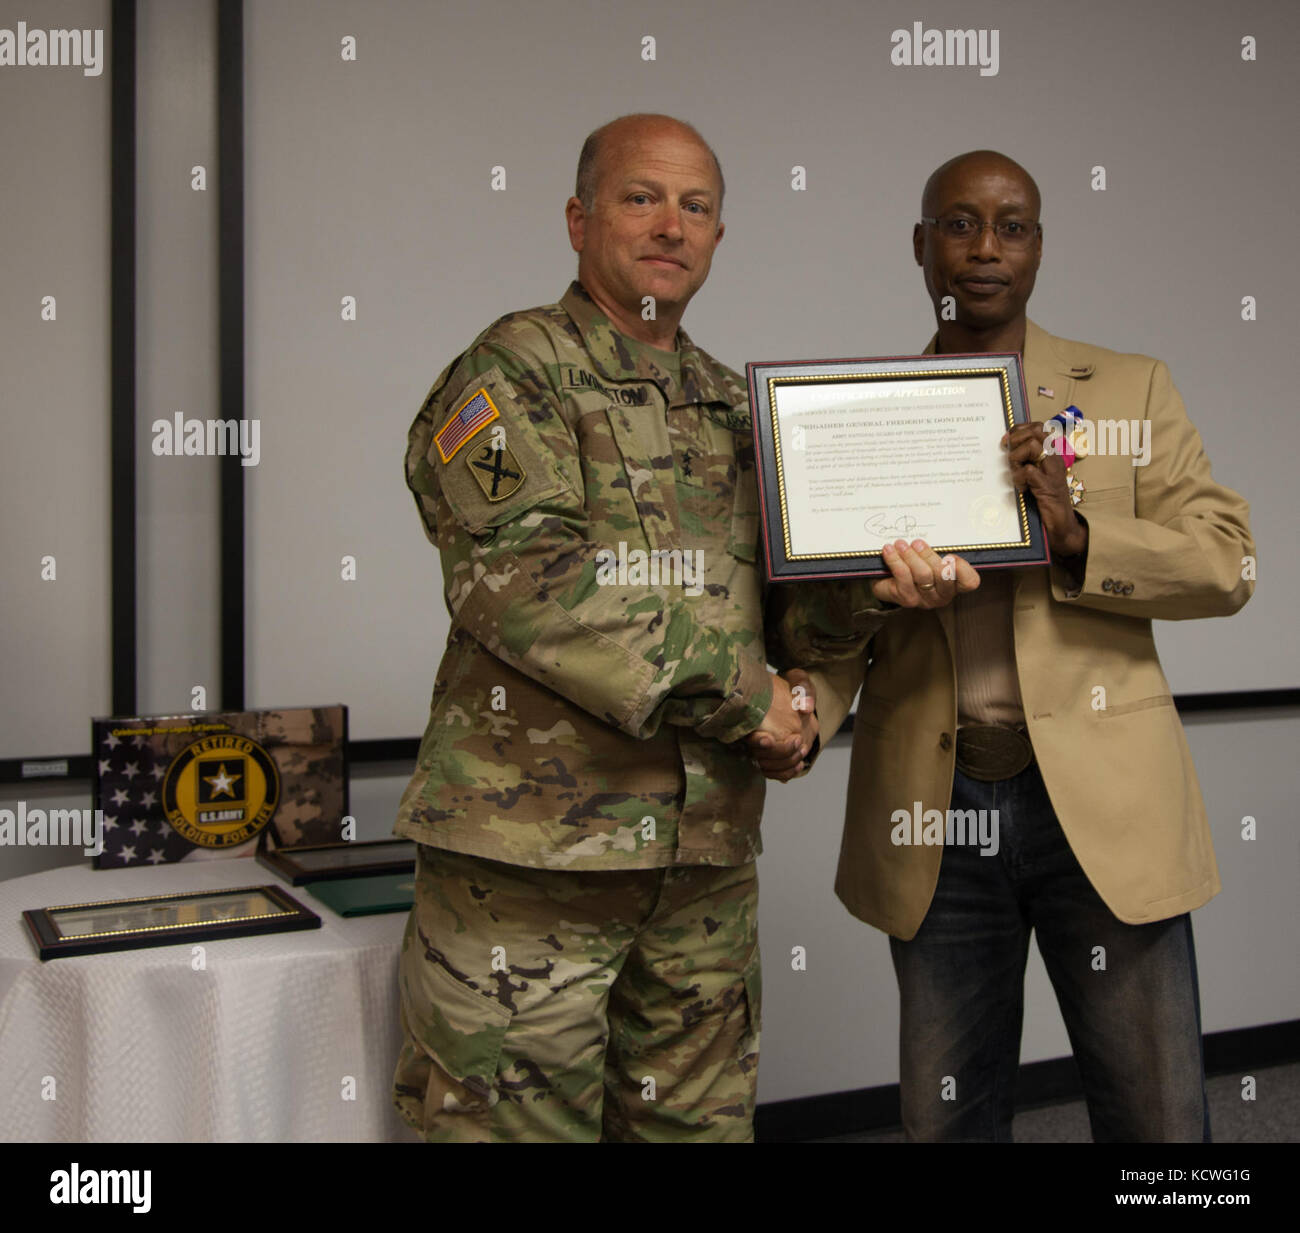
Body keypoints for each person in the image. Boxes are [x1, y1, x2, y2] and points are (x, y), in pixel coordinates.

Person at [391, 114, 971, 1143]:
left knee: (696, 1135)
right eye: (640, 197)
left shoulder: (729, 404)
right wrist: (757, 705)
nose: (671, 224)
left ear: (716, 234)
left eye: (696, 205)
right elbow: (530, 583)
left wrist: (877, 591)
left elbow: (789, 611)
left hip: (701, 861)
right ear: (579, 219)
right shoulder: (510, 372)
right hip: (532, 869)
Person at [758, 150, 1255, 1142]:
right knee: (948, 1118)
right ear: (920, 246)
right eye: (958, 223)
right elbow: (827, 634)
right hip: (935, 820)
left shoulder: (1126, 389)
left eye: (1011, 225)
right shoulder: (861, 422)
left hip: (1104, 813)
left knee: (1158, 1118)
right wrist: (821, 676)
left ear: (1036, 246)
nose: (984, 246)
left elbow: (1226, 564)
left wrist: (1077, 538)